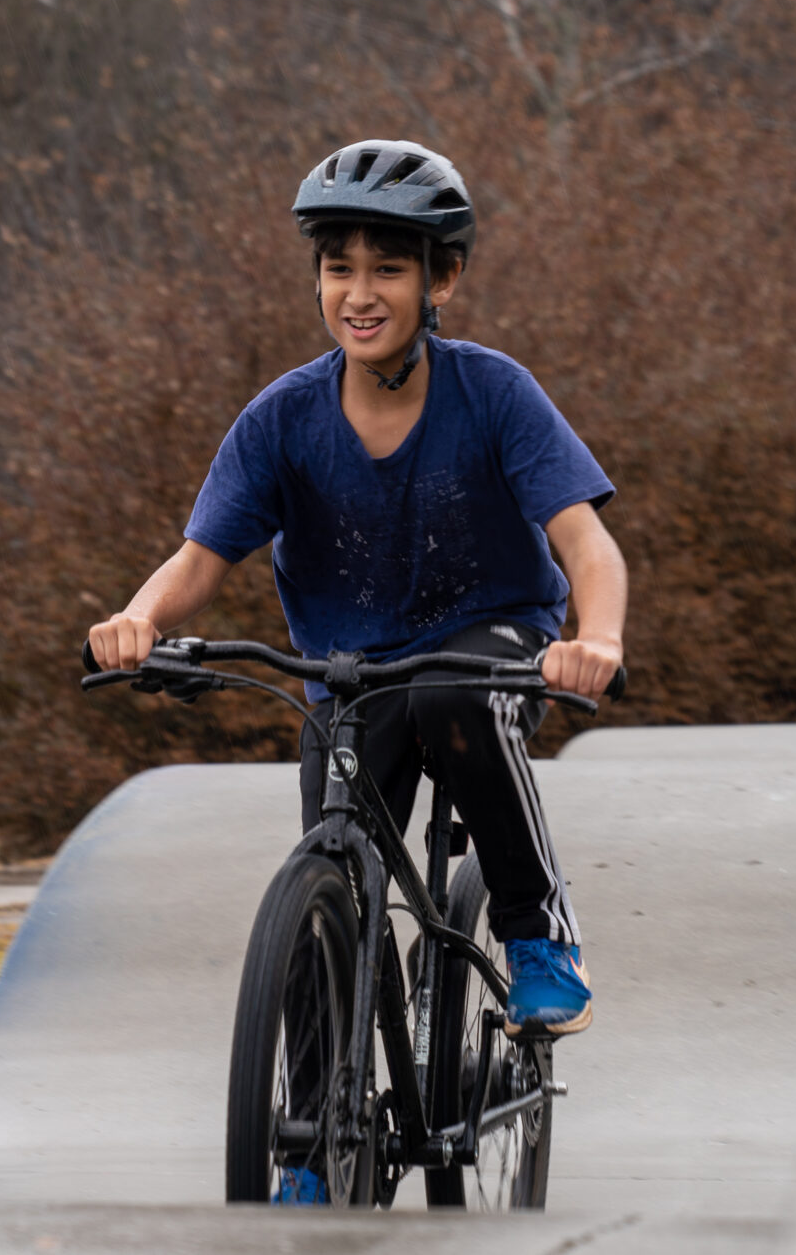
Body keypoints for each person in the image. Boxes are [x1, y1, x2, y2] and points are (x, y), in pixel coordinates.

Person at [86, 138, 626, 1040]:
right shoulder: (283, 419)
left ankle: (538, 935)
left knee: (455, 692)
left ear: (440, 279)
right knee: (326, 892)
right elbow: (199, 561)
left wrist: (598, 638)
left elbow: (587, 542)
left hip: (487, 647)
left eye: (387, 269)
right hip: (354, 671)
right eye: (339, 269)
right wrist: (138, 620)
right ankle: (308, 1149)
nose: (360, 293)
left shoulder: (495, 395)